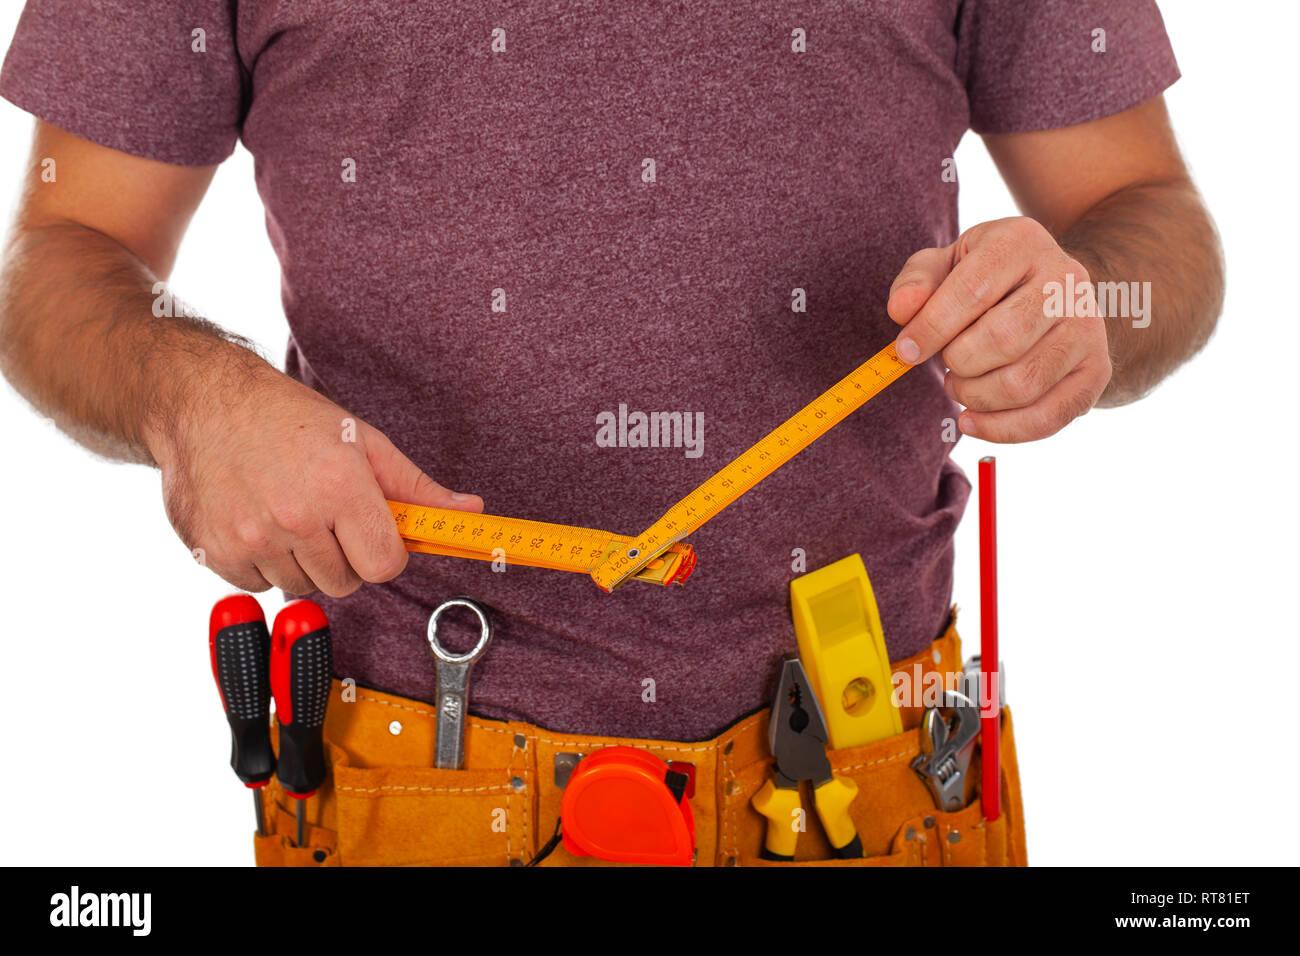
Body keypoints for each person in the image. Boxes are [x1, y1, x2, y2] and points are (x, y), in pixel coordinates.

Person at [0, 1, 1221, 866]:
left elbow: (1146, 218)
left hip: (877, 767)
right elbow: (60, 254)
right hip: (412, 780)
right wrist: (190, 388)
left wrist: (1083, 303)